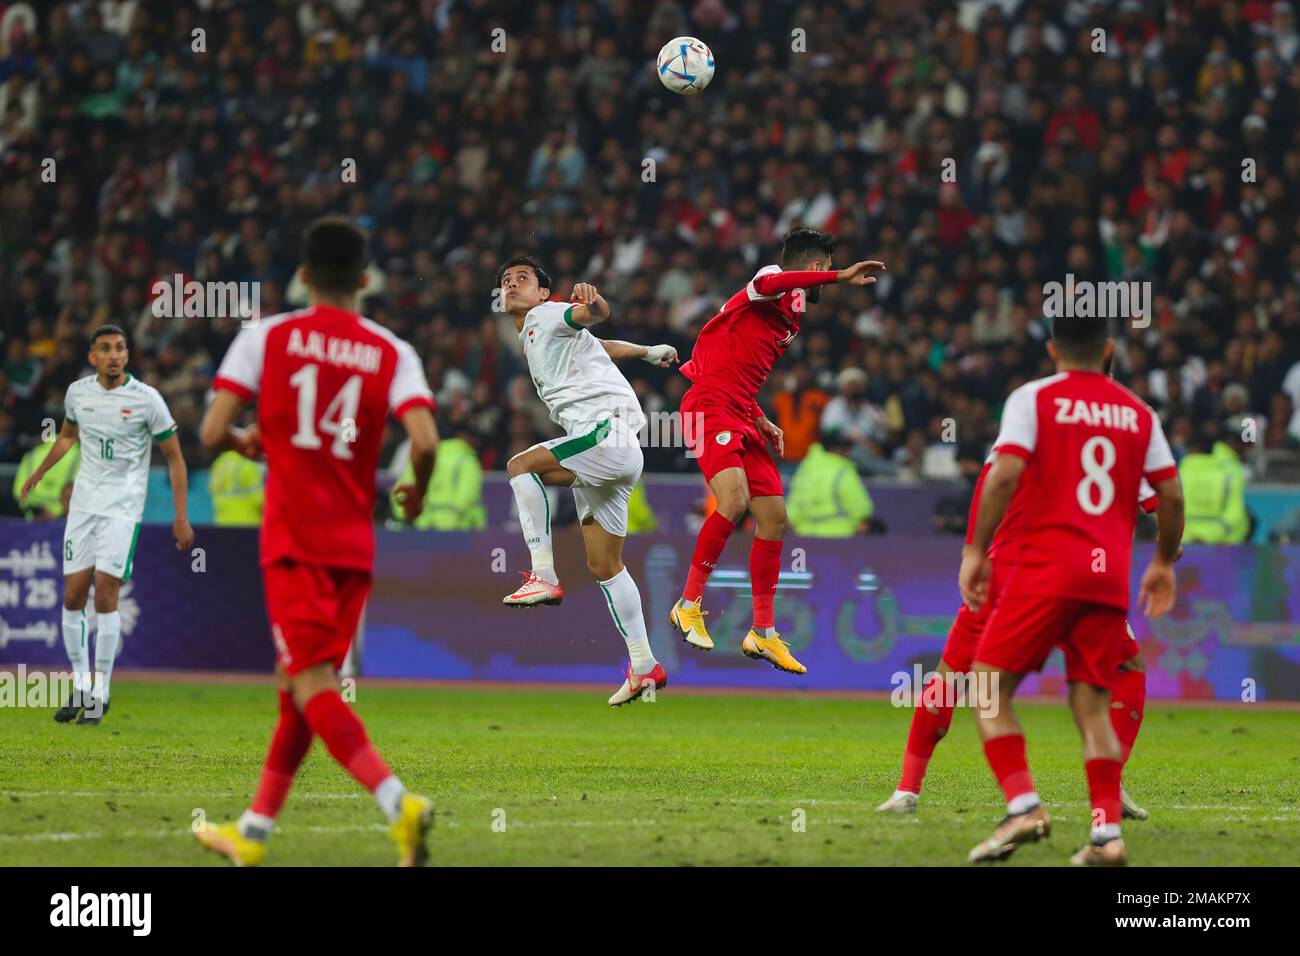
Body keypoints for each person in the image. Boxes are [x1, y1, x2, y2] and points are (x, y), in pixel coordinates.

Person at [196, 216, 439, 867]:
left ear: (302, 276)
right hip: (354, 547)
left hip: (294, 541)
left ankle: (398, 803)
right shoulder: (393, 350)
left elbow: (212, 430)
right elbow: (424, 442)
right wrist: (414, 492)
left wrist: (246, 441)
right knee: (298, 686)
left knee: (309, 683)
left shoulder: (265, 337)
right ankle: (252, 832)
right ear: (364, 280)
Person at [958, 312, 1183, 866]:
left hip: (1046, 568)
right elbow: (1171, 495)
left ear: (1054, 351)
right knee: (1092, 705)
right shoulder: (1138, 412)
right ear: (1107, 348)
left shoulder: (1032, 399)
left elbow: (1004, 474)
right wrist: (1162, 562)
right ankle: (1106, 836)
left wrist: (973, 550)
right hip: (1107, 578)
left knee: (986, 686)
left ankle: (1023, 805)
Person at [668, 227, 884, 674]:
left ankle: (762, 632)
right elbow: (771, 284)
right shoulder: (769, 280)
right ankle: (688, 603)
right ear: (815, 267)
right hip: (709, 403)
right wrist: (841, 277)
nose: (826, 276)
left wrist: (761, 418)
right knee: (734, 501)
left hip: (741, 411)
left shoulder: (792, 315)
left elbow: (739, 364)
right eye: (824, 266)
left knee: (774, 519)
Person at [496, 256, 679, 706]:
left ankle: (542, 575)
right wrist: (646, 351)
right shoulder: (540, 334)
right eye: (505, 281)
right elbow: (600, 343)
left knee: (521, 466)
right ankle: (643, 665)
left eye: (523, 279)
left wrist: (594, 304)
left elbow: (591, 316)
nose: (512, 284)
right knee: (605, 566)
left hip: (604, 432)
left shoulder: (546, 314)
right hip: (613, 450)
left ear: (542, 293)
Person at [20, 325, 194, 725]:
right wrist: (42, 472)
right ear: (92, 356)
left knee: (105, 596)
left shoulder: (148, 400)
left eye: (119, 348)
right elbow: (66, 437)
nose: (113, 355)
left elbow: (175, 458)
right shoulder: (78, 393)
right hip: (83, 506)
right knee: (72, 597)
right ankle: (80, 683)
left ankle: (101, 691)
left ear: (127, 355)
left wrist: (180, 517)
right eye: (105, 349)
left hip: (122, 507)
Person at [786, 431, 874, 537]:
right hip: (840, 537)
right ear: (834, 449)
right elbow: (861, 508)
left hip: (807, 537)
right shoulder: (843, 469)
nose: (847, 453)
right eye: (844, 449)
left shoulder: (806, 469)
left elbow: (793, 508)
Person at [13, 433, 80, 520]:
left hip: (34, 518)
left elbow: (19, 491)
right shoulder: (79, 454)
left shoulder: (32, 454)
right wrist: (56, 511)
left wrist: (34, 510)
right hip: (64, 520)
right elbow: (81, 492)